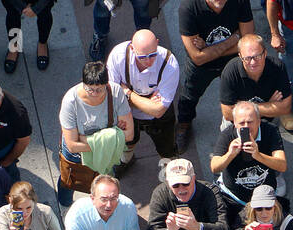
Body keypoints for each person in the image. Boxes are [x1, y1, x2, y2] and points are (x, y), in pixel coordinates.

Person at [211, 101, 287, 230]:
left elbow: (282, 165)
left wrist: (258, 155)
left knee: (274, 227)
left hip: (263, 197)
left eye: (250, 122)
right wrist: (230, 154)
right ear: (234, 123)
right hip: (234, 196)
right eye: (241, 123)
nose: (246, 127)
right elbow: (214, 167)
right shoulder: (227, 135)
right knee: (224, 228)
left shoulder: (270, 132)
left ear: (259, 120)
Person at [174, 0, 255, 152]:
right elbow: (197, 57)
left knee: (241, 93)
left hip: (232, 60)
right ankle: (184, 124)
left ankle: (242, 127)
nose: (219, 2)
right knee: (189, 95)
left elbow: (248, 41)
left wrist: (209, 49)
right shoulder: (189, 7)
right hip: (202, 66)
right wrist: (233, 39)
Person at [56, 63, 133, 210]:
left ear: (107, 84)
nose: (94, 93)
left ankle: (102, 206)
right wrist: (112, 136)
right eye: (89, 89)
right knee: (69, 180)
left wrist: (84, 139)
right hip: (77, 157)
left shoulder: (115, 92)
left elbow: (129, 135)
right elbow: (72, 146)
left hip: (105, 153)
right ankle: (65, 205)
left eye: (100, 89)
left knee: (106, 182)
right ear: (83, 82)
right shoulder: (71, 101)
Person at [107, 31, 180, 172]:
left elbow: (159, 111)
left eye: (152, 55)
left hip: (159, 120)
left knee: (167, 150)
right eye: (142, 57)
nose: (148, 61)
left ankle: (170, 173)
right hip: (127, 114)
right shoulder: (118, 56)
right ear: (132, 48)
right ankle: (125, 161)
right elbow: (113, 98)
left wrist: (127, 93)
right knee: (127, 142)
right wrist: (148, 103)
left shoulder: (169, 63)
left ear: (157, 44)